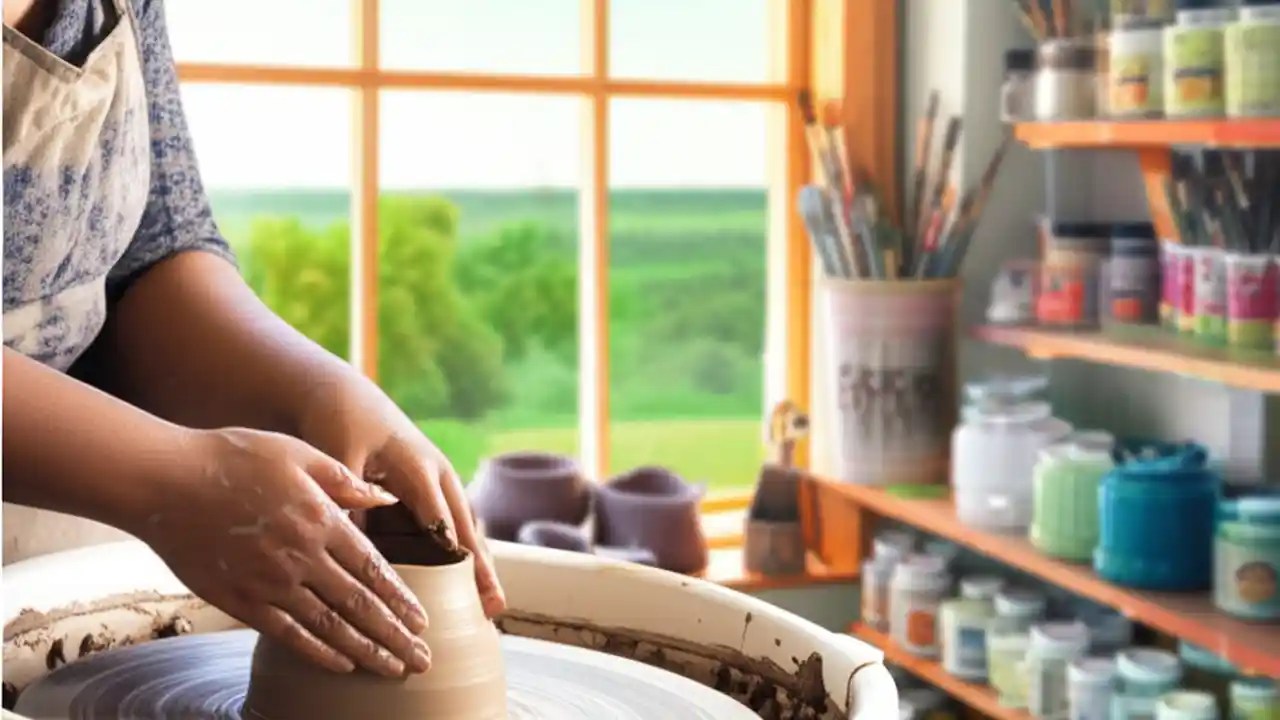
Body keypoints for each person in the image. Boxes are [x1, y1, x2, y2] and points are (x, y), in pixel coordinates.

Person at [2, 0, 504, 679]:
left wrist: (318, 392)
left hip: (63, 542)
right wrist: (173, 479)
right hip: (112, 489)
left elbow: (153, 259)